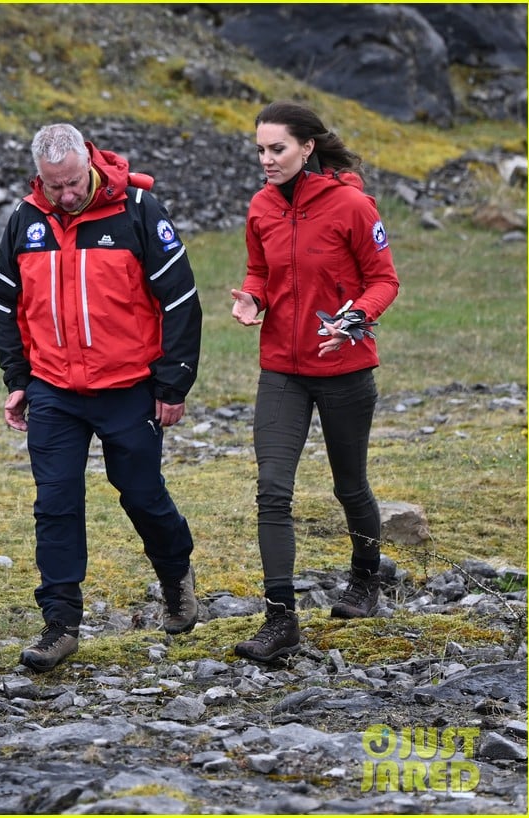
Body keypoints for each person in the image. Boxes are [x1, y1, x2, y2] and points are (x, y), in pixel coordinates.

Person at [0, 123, 203, 673]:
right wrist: (18, 380)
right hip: (54, 391)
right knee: (55, 502)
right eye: (53, 185)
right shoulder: (24, 220)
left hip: (129, 387)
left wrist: (172, 382)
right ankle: (60, 623)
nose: (65, 195)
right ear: (39, 176)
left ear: (89, 160)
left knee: (141, 494)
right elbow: (2, 305)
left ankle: (175, 573)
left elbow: (180, 298)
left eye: (73, 182)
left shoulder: (138, 210)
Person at [230, 101, 400, 663]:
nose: (267, 159)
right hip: (282, 368)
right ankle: (280, 620)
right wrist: (253, 297)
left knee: (350, 486)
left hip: (346, 370)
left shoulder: (351, 205)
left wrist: (354, 320)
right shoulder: (260, 206)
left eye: (276, 148)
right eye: (260, 150)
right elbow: (261, 270)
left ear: (307, 147)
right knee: (272, 489)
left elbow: (383, 280)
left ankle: (365, 582)